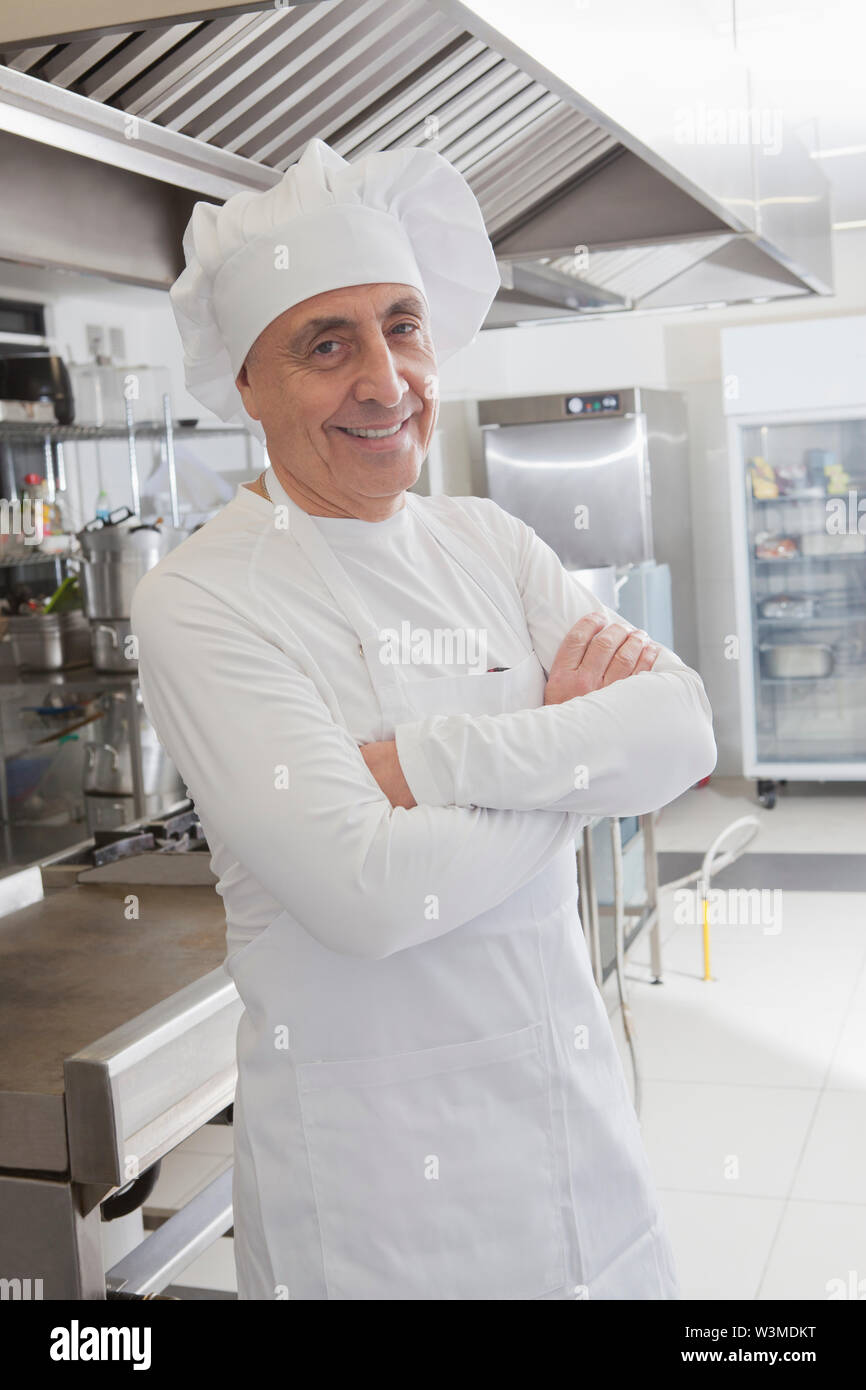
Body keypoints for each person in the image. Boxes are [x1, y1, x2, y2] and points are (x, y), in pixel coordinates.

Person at [131, 137, 717, 1301]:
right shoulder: (203, 595)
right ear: (246, 384)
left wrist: (431, 761)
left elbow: (683, 730)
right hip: (375, 1193)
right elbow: (372, 894)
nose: (384, 381)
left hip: (571, 1139)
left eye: (400, 324)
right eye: (325, 343)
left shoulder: (486, 541)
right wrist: (577, 770)